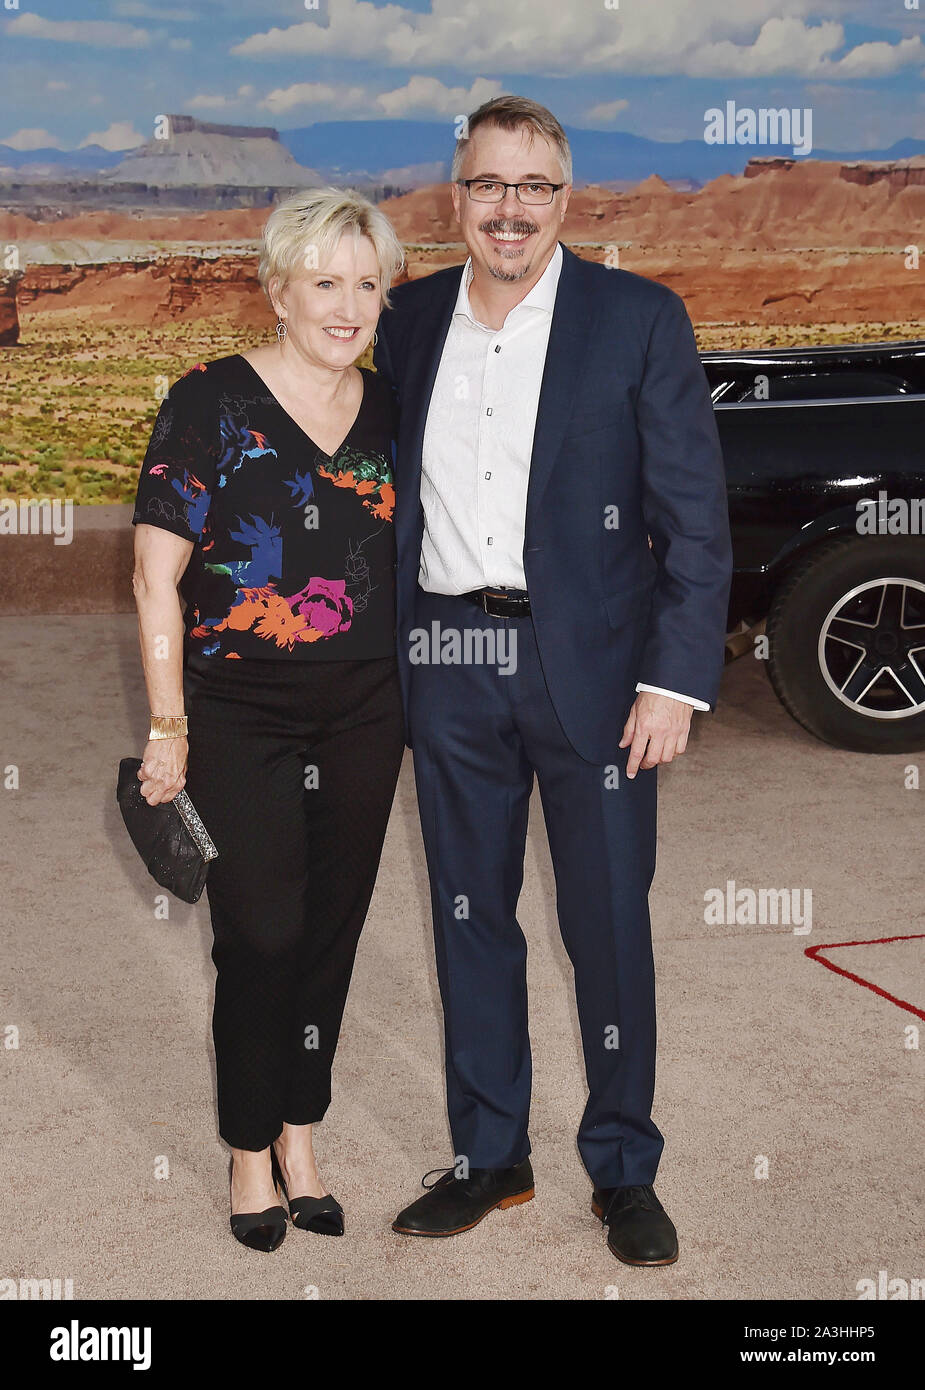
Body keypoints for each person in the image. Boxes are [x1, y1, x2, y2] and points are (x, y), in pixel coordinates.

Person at [375, 95, 733, 1265]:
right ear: (456, 197)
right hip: (449, 661)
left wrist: (674, 684)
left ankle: (623, 1168)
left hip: (595, 671)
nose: (510, 209)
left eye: (533, 187)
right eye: (487, 185)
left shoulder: (636, 318)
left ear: (565, 198)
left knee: (606, 927)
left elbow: (694, 519)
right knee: (470, 919)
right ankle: (491, 1155)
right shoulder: (412, 316)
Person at [131, 188, 406, 1251]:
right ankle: (247, 1147)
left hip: (368, 705)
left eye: (367, 284)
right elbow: (157, 579)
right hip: (238, 705)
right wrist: (168, 726)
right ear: (279, 290)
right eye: (325, 282)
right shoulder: (211, 401)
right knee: (261, 931)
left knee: (331, 928)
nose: (347, 306)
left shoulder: (389, 408)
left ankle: (300, 1131)